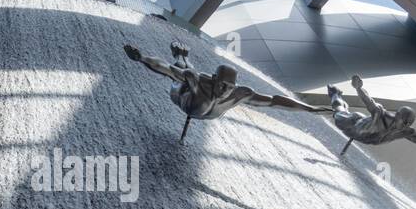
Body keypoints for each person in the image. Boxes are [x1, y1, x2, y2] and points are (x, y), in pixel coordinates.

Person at [123, 43, 330, 142]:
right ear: (214, 80)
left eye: (229, 87)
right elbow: (166, 68)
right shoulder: (200, 81)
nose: (225, 91)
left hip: (199, 105)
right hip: (182, 96)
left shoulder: (239, 94)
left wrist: (309, 108)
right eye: (222, 85)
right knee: (185, 71)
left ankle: (183, 55)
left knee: (188, 71)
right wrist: (142, 58)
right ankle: (180, 54)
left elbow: (274, 101)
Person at [327, 74, 416, 160]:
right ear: (397, 116)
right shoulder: (380, 113)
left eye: (407, 123)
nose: (403, 125)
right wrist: (358, 87)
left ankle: (339, 101)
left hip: (367, 137)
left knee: (343, 113)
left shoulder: (406, 131)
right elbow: (368, 100)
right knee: (338, 112)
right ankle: (335, 93)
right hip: (355, 127)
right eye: (402, 121)